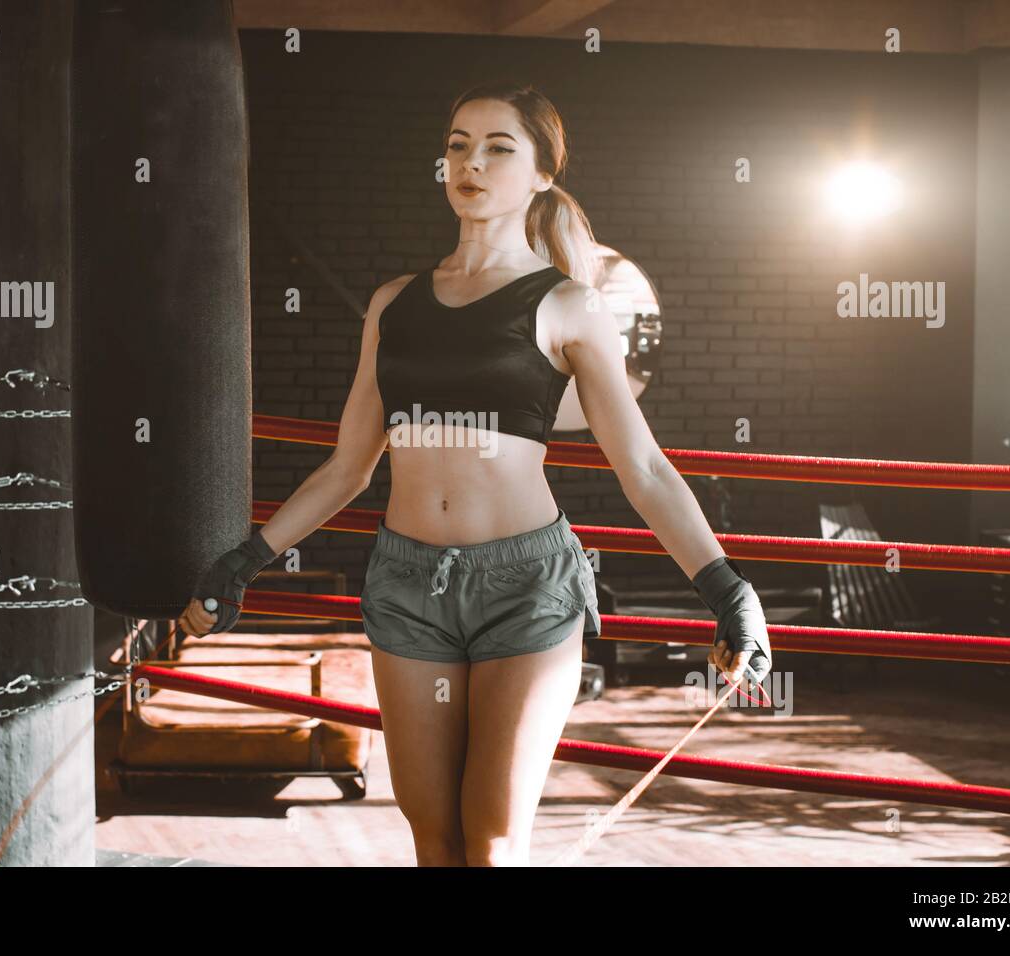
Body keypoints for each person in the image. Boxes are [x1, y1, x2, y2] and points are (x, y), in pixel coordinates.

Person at [179, 82, 771, 866]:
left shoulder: (569, 306)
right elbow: (348, 467)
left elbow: (644, 467)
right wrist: (246, 559)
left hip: (525, 586)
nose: (472, 162)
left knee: (490, 842)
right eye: (459, 144)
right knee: (437, 841)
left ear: (541, 176)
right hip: (407, 582)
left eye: (499, 148)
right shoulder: (394, 304)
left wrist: (727, 587)